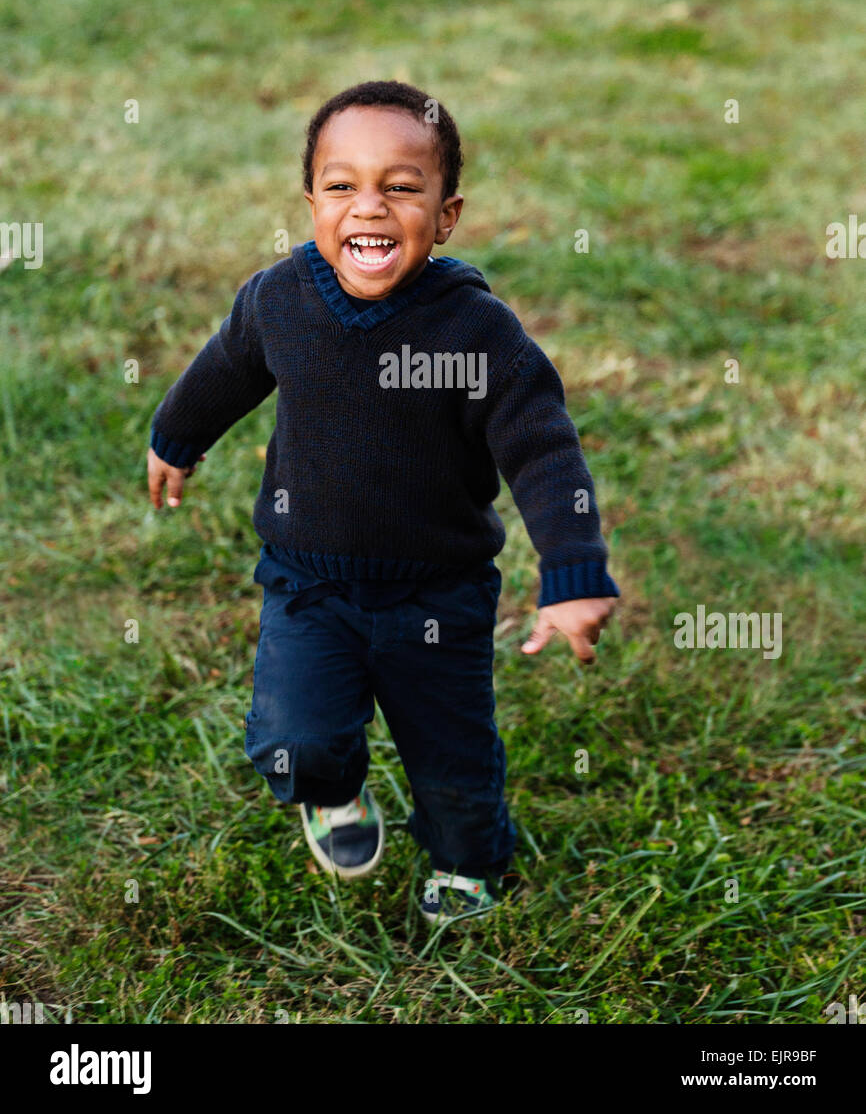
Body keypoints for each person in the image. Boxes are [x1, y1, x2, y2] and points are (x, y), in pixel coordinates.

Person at [147, 80, 619, 923]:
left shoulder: (476, 334)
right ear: (311, 202)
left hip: (438, 593)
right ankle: (333, 793)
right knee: (297, 737)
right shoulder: (280, 301)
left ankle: (467, 861)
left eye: (402, 187)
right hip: (308, 582)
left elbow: (544, 448)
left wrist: (574, 568)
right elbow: (226, 370)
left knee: (452, 753)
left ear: (446, 215)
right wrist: (176, 438)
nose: (370, 206)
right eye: (342, 185)